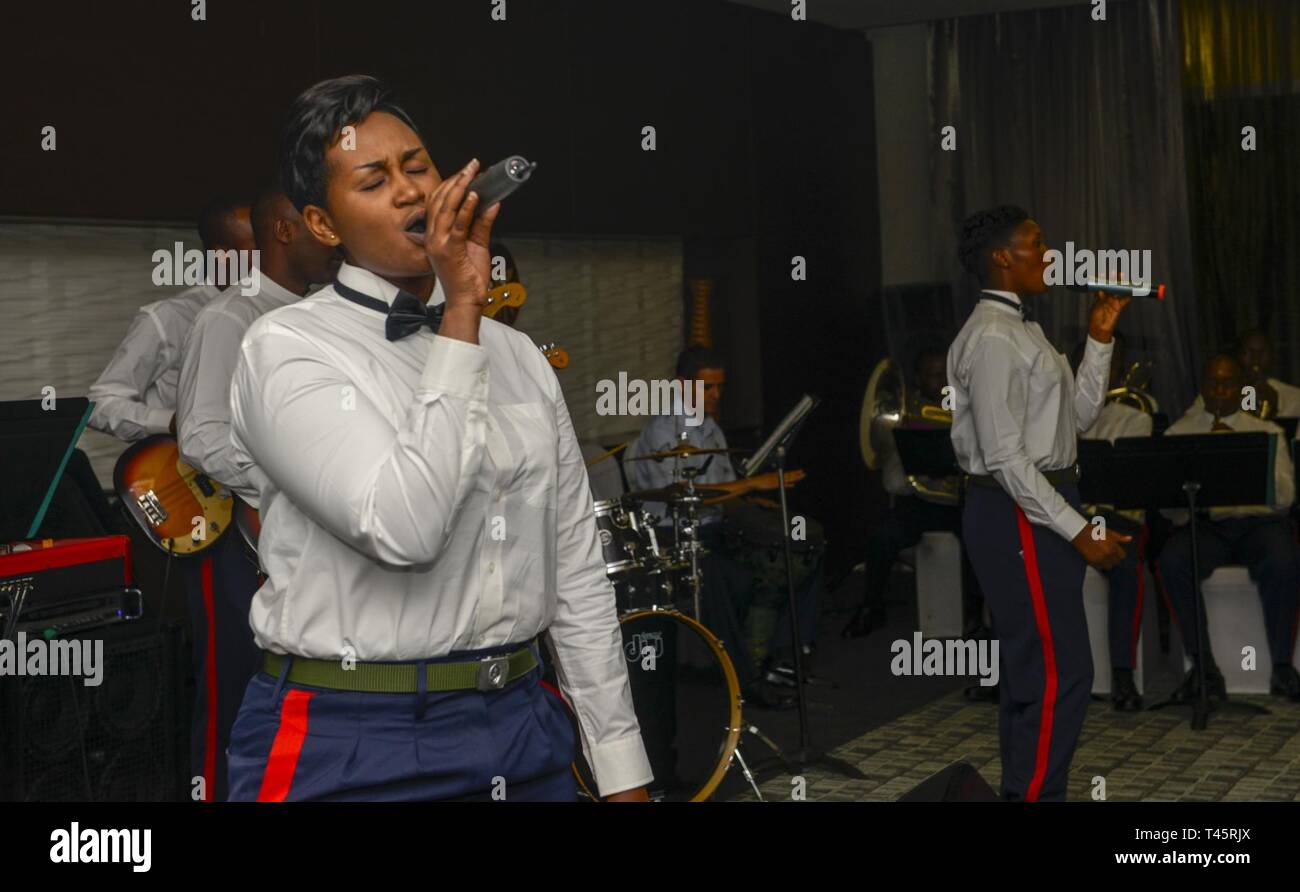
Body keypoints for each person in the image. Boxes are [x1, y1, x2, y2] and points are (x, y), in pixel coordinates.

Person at [223, 75, 650, 801]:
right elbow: (405, 528)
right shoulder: (285, 348)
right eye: (374, 179)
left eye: (418, 167)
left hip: (522, 724)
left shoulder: (519, 359)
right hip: (352, 734)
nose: (411, 192)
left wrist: (619, 766)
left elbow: (574, 569)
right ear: (325, 226)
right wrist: (461, 313)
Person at [948, 204, 1131, 801]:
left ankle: (1023, 794)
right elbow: (1004, 459)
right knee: (1059, 673)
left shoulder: (1024, 327)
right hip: (1016, 510)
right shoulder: (995, 336)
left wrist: (1098, 339)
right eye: (1036, 243)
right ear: (1003, 257)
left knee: (1039, 672)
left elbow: (1075, 419)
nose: (1049, 254)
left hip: (1039, 499)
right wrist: (1078, 529)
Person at [172, 185, 340, 801]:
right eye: (318, 225)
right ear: (285, 231)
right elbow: (199, 437)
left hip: (300, 542)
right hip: (236, 537)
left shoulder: (325, 313)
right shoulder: (229, 317)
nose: (335, 239)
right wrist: (296, 477)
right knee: (231, 692)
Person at [624, 346, 821, 706]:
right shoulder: (664, 430)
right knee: (716, 575)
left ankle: (785, 654)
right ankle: (745, 683)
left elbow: (724, 489)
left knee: (804, 544)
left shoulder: (710, 426)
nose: (716, 396)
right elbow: (687, 493)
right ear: (682, 385)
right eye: (708, 388)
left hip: (716, 527)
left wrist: (757, 502)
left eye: (719, 388)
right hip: (676, 536)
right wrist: (750, 485)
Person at [1157, 353, 1300, 702]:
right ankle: (1204, 669)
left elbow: (1285, 497)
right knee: (1172, 560)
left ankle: (1282, 667)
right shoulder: (1180, 432)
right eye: (1212, 383)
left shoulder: (1266, 432)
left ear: (1240, 388)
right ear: (1202, 387)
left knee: (1284, 558)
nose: (1220, 390)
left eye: (1228, 383)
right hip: (1207, 527)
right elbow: (1166, 507)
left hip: (1258, 525)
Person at [844, 344, 984, 639]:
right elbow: (892, 483)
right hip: (921, 503)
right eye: (933, 376)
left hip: (961, 503)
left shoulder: (971, 411)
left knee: (978, 542)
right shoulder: (906, 415)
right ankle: (872, 606)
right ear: (918, 380)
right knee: (883, 538)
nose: (942, 382)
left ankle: (976, 616)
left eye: (946, 375)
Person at [87, 198, 254, 441]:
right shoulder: (170, 316)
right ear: (222, 255)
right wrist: (170, 421)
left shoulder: (277, 315)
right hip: (181, 471)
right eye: (260, 244)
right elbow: (100, 404)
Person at [1071, 332, 1153, 710]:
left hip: (1115, 518)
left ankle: (1122, 674)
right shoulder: (1054, 414)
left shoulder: (1136, 416)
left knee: (1125, 565)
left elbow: (1129, 484)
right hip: (1069, 518)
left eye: (1109, 366)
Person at [1189, 329, 1300, 420]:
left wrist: (1272, 411)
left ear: (1272, 356)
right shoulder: (1215, 395)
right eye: (1248, 352)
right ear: (1237, 356)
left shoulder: (1294, 397)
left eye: (1263, 352)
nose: (1256, 358)